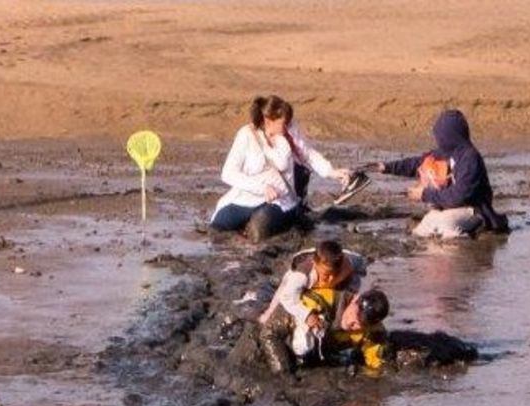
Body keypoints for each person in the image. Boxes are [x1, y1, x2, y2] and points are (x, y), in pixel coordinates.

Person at [210, 95, 350, 242]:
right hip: (247, 198)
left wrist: (331, 172)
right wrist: (262, 188)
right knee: (218, 226)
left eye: (288, 122)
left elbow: (308, 154)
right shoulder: (246, 134)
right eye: (283, 123)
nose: (287, 127)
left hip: (281, 200)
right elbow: (228, 173)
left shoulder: (290, 130)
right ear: (268, 121)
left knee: (260, 228)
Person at [374, 109, 509, 239]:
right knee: (422, 230)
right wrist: (386, 167)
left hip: (473, 210)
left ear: (449, 135)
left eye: (440, 136)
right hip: (447, 208)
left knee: (446, 224)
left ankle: (470, 237)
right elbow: (416, 164)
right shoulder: (443, 153)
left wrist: (424, 194)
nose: (438, 140)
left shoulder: (470, 158)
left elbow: (459, 196)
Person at [259, 240, 368, 373]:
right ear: (315, 264)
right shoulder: (301, 275)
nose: (330, 279)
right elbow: (287, 297)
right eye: (326, 275)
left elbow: (362, 268)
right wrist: (306, 314)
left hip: (337, 283)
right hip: (296, 287)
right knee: (271, 313)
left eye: (335, 274)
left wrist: (350, 299)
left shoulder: (350, 264)